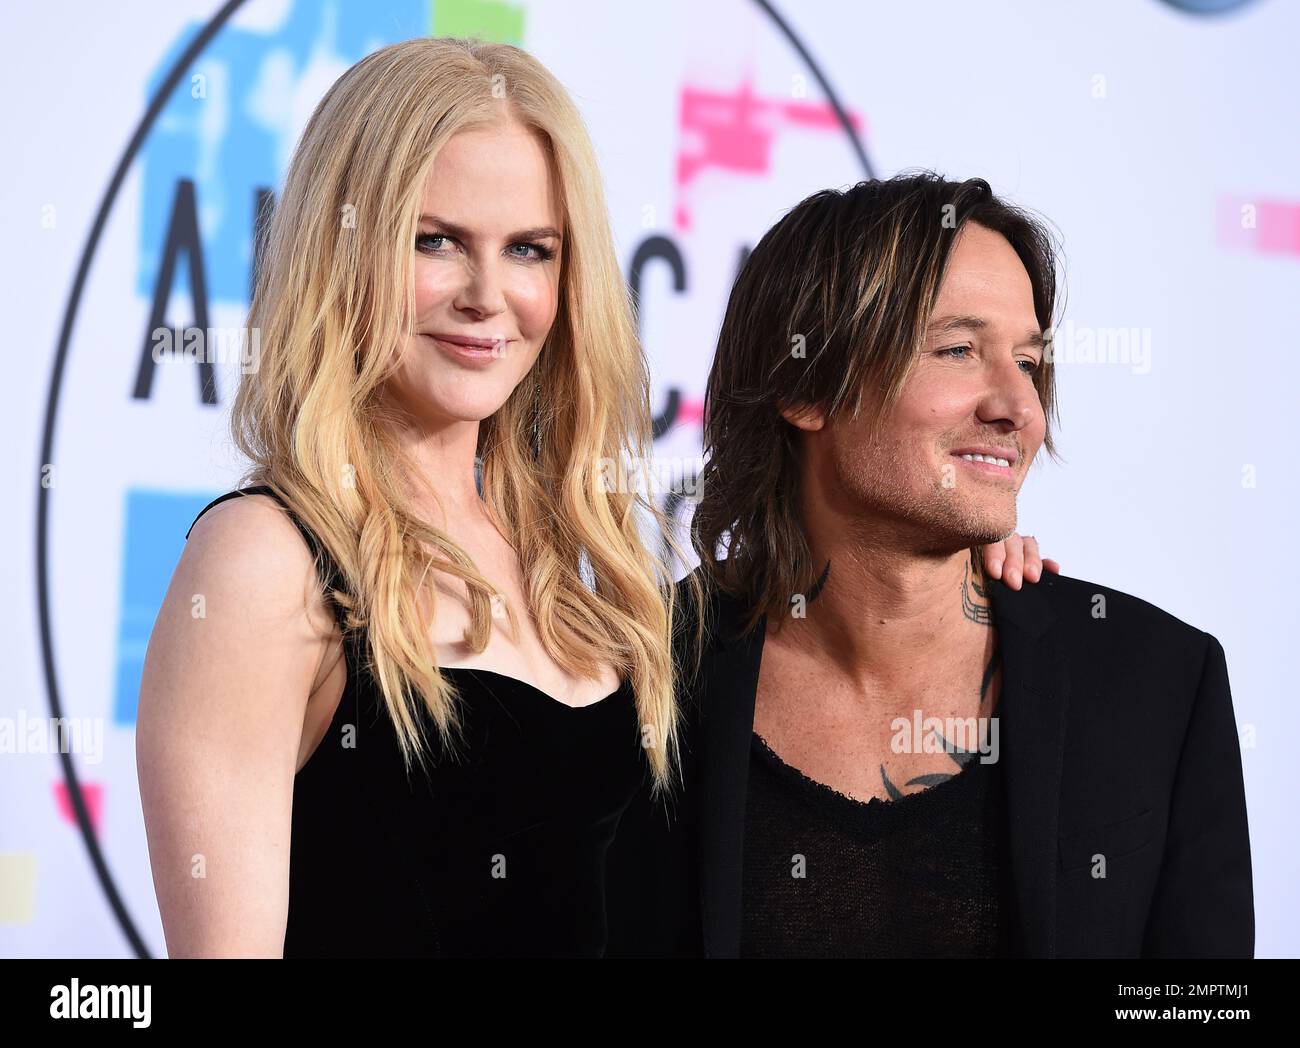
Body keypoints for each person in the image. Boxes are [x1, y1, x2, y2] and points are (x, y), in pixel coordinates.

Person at [135, 36, 1050, 958]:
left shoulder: (581, 573)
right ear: (340, 250)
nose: (488, 296)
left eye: (529, 250)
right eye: (436, 241)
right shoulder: (263, 561)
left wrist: (953, 572)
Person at [605, 172, 1254, 959]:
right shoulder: (637, 678)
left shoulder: (1155, 681)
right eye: (958, 350)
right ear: (806, 385)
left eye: (1028, 361)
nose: (1018, 407)